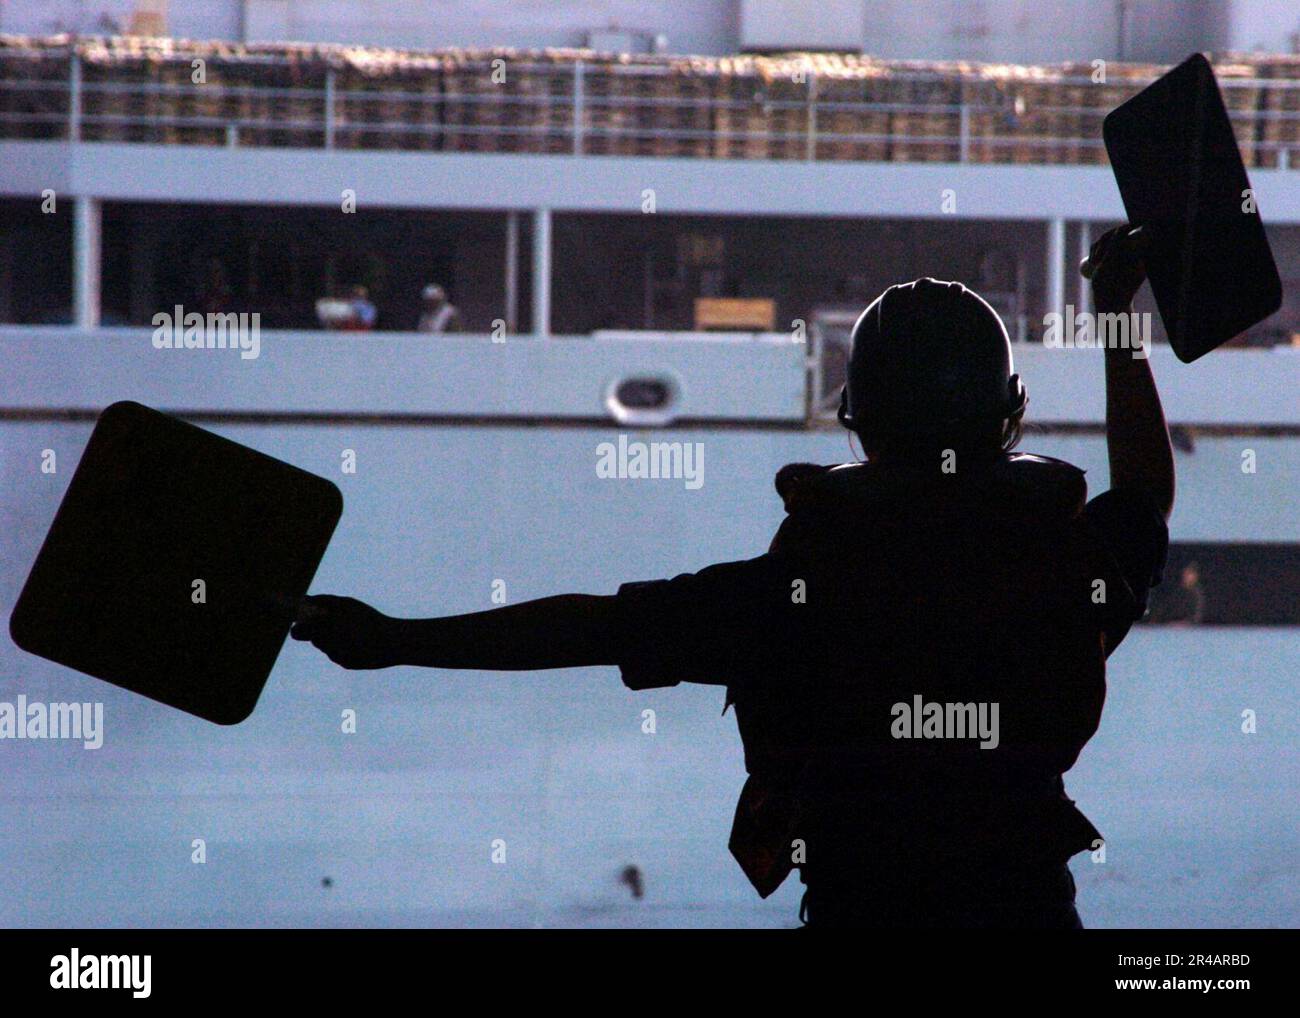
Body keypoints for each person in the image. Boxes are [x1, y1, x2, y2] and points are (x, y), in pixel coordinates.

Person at [291, 225, 1173, 929]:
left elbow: (591, 628)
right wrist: (1115, 313)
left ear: (853, 419)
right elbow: (1143, 493)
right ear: (1012, 415)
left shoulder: (790, 597)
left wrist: (396, 641)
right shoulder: (1068, 568)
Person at [1147, 561, 1205, 625]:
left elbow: (1195, 618)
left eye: (1189, 574)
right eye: (1185, 573)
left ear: (1195, 576)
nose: (1185, 576)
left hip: (1188, 631)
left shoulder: (1196, 595)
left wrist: (1180, 624)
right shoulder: (1177, 593)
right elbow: (1166, 610)